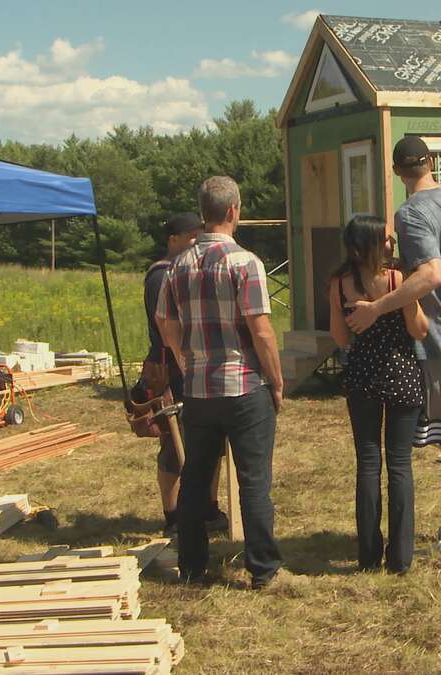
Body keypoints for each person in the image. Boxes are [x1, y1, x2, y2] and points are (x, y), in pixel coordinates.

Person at [346, 136, 441, 558]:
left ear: (396, 173)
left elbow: (430, 275)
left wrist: (376, 308)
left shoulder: (410, 213)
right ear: (432, 163)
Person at [157, 176, 286, 588]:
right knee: (253, 480)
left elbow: (165, 319)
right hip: (244, 384)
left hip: (197, 388)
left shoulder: (177, 264)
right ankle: (262, 569)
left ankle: (193, 566)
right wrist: (276, 380)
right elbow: (261, 330)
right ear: (233, 211)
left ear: (203, 213)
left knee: (196, 477)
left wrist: (182, 356)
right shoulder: (245, 262)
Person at [328, 215, 428, 574]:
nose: (391, 243)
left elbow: (339, 338)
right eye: (385, 239)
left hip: (362, 378)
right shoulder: (397, 280)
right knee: (399, 465)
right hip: (402, 374)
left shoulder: (339, 284)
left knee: (368, 465)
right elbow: (418, 330)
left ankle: (368, 556)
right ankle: (400, 558)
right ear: (371, 245)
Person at [136, 212, 227, 538]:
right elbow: (168, 329)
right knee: (175, 447)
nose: (195, 242)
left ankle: (208, 507)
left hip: (199, 367)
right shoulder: (162, 276)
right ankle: (173, 514)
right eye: (191, 236)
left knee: (211, 441)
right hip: (171, 369)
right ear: (173, 238)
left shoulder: (186, 271)